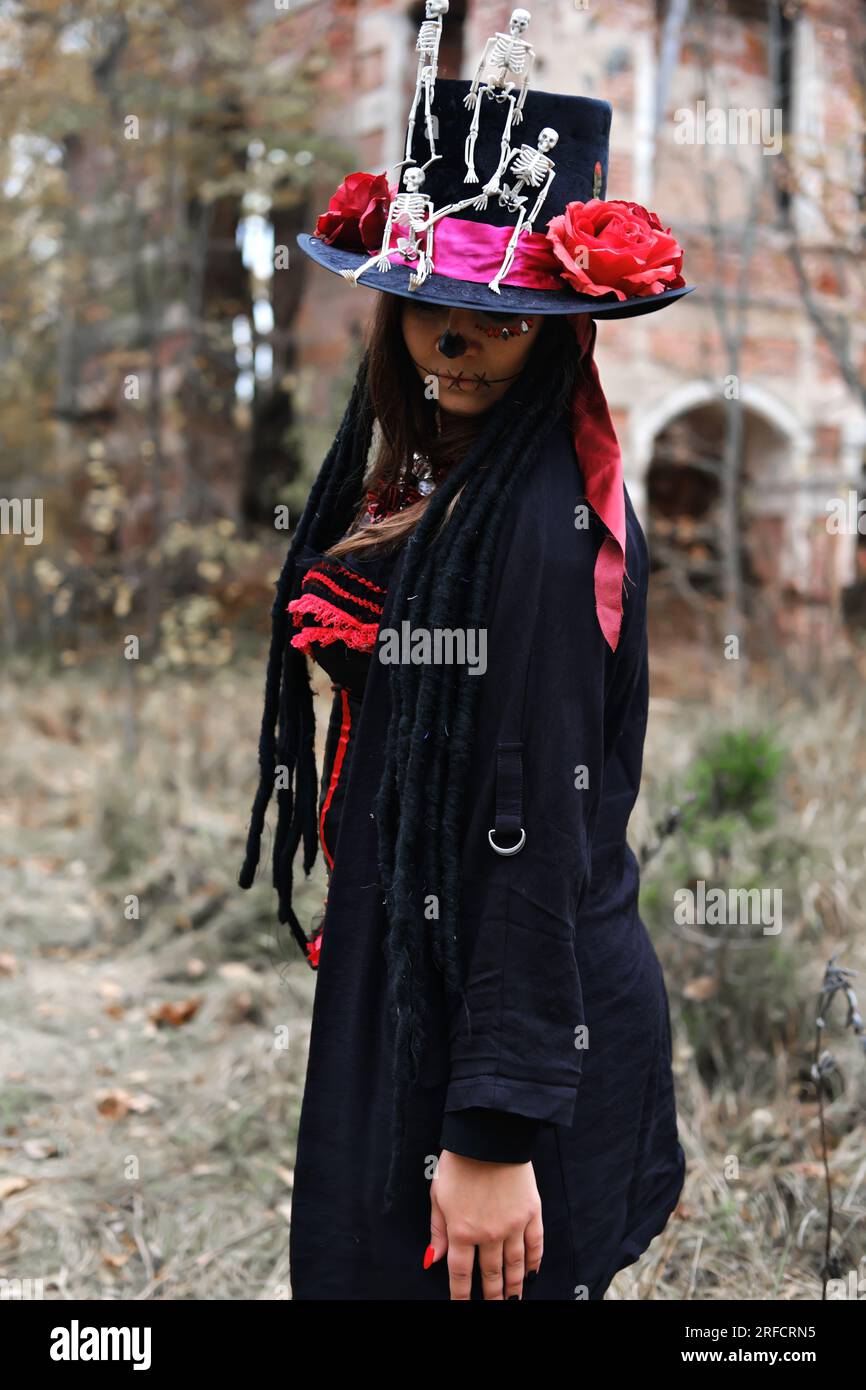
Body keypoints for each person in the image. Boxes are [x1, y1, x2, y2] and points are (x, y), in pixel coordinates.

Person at [239, 71, 691, 1300]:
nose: (456, 338)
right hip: (425, 984)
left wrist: (490, 1130)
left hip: (510, 1025)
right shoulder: (432, 480)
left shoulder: (536, 528)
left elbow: (529, 822)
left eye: (500, 313)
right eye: (428, 305)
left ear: (563, 324)